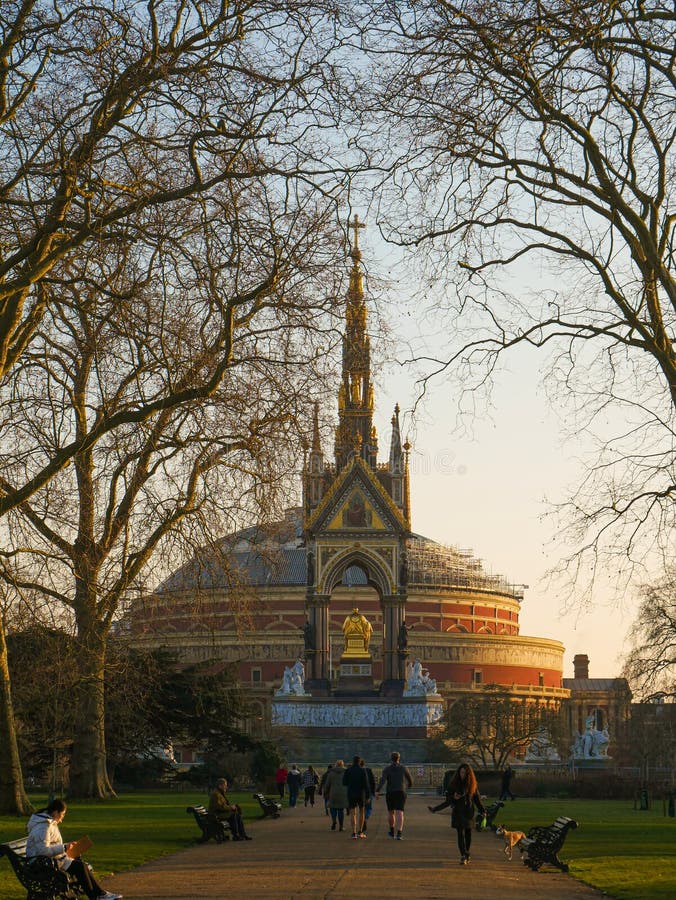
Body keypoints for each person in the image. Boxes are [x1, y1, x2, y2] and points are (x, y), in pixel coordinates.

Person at [25, 798, 122, 900]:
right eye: (62, 815)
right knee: (79, 867)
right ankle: (97, 896)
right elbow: (43, 851)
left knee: (81, 865)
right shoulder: (43, 827)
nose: (61, 819)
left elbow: (50, 845)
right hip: (41, 865)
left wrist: (67, 846)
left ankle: (99, 894)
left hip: (48, 861)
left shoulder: (48, 823)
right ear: (55, 812)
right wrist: (64, 847)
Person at [446, 763, 486, 865]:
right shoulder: (454, 783)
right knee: (460, 834)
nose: (462, 774)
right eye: (461, 772)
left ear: (468, 774)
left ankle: (467, 853)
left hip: (468, 812)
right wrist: (453, 797)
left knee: (468, 834)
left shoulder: (472, 785)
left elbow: (477, 798)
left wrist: (482, 810)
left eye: (464, 773)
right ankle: (463, 855)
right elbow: (448, 798)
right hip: (458, 812)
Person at [375, 751, 413, 840]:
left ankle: (392, 831)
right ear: (399, 758)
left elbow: (382, 780)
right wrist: (409, 786)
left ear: (391, 758)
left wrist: (377, 790)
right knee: (400, 812)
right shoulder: (404, 768)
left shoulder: (387, 769)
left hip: (391, 792)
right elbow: (410, 780)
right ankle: (399, 833)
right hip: (401, 791)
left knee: (391, 812)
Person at [343, 755, 370, 839]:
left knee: (352, 813)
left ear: (353, 761)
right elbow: (366, 784)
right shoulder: (363, 770)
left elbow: (344, 782)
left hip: (351, 793)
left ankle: (353, 832)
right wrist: (368, 795)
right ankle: (360, 831)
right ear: (360, 761)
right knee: (362, 812)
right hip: (361, 793)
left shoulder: (348, 770)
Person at [324, 759, 348, 832]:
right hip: (343, 793)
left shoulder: (331, 773)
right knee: (341, 810)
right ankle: (341, 826)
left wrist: (325, 792)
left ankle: (334, 820)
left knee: (333, 808)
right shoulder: (346, 772)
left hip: (333, 793)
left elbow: (327, 784)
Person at [359, 758, 376, 832]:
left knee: (361, 809)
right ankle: (365, 818)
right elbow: (373, 782)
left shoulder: (357, 771)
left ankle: (362, 820)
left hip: (359, 792)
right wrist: (373, 792)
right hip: (368, 792)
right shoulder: (368, 770)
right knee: (369, 808)